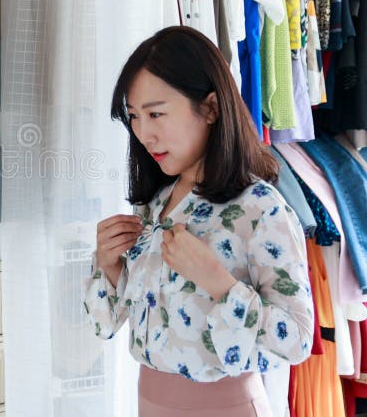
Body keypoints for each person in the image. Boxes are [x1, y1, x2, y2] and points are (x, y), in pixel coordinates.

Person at [83, 26, 314, 416]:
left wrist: (217, 281)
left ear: (210, 108)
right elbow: (105, 326)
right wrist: (108, 267)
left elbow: (297, 341)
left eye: (156, 113)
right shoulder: (154, 205)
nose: (144, 133)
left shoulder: (260, 208)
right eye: (135, 116)